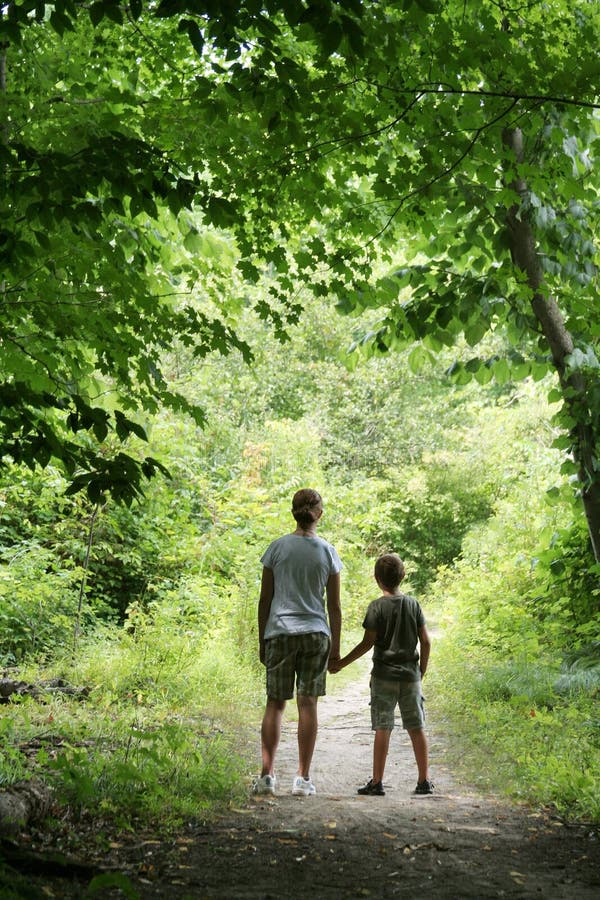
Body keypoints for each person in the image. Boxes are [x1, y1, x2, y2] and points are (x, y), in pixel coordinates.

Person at [253, 488, 342, 797]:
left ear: (293, 512)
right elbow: (335, 607)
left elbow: (265, 600)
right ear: (319, 514)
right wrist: (336, 648)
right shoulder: (328, 552)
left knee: (275, 704)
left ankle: (267, 776)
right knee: (308, 704)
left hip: (279, 632)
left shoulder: (276, 548)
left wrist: (263, 640)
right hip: (316, 634)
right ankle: (303, 779)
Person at [329, 552, 433, 796]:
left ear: (377, 579)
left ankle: (377, 782)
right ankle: (423, 781)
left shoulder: (376, 607)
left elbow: (367, 643)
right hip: (410, 677)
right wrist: (421, 670)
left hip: (383, 677)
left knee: (383, 727)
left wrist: (341, 663)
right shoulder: (413, 604)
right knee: (416, 727)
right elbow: (426, 641)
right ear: (403, 576)